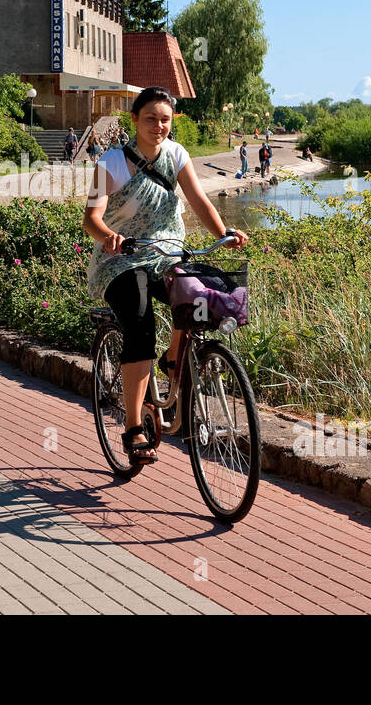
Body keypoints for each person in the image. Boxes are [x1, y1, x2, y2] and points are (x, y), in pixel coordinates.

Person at [82, 87, 248, 466]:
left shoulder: (176, 155)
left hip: (168, 252)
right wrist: (110, 238)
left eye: (165, 120)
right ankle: (134, 427)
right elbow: (91, 217)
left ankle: (173, 359)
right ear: (135, 121)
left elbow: (198, 200)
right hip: (121, 260)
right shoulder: (110, 162)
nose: (158, 126)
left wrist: (223, 233)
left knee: (201, 293)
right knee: (139, 321)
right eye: (150, 119)